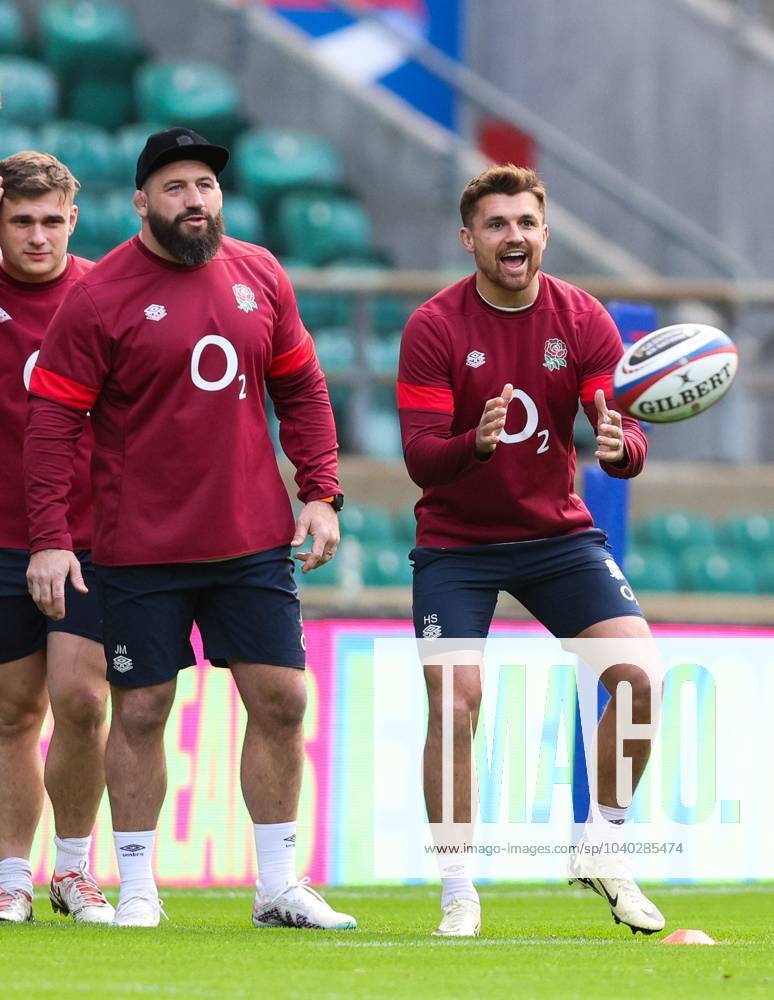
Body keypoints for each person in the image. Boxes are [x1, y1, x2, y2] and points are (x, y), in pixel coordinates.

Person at [24, 128, 355, 931]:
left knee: (280, 701)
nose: (195, 200)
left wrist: (321, 493)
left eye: (205, 184)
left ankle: (278, 884)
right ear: (141, 202)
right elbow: (53, 423)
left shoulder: (261, 274)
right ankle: (138, 888)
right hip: (140, 549)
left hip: (251, 543)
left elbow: (303, 388)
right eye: (175, 187)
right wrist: (51, 537)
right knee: (140, 711)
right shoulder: (98, 297)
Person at [397, 164, 664, 937]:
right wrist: (470, 447)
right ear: (469, 238)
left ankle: (603, 850)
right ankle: (458, 890)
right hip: (456, 544)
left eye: (525, 222)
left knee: (641, 676)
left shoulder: (581, 318)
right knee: (454, 702)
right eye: (496, 224)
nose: (513, 236)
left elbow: (624, 429)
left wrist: (621, 449)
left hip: (556, 535)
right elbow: (419, 456)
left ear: (543, 233)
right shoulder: (435, 327)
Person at [0, 152, 114, 924]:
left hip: (91, 538)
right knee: (12, 711)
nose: (38, 236)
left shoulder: (107, 295)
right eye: (20, 221)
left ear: (73, 220)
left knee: (80, 700)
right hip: (4, 538)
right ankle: (11, 877)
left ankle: (72, 873)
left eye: (51, 221)